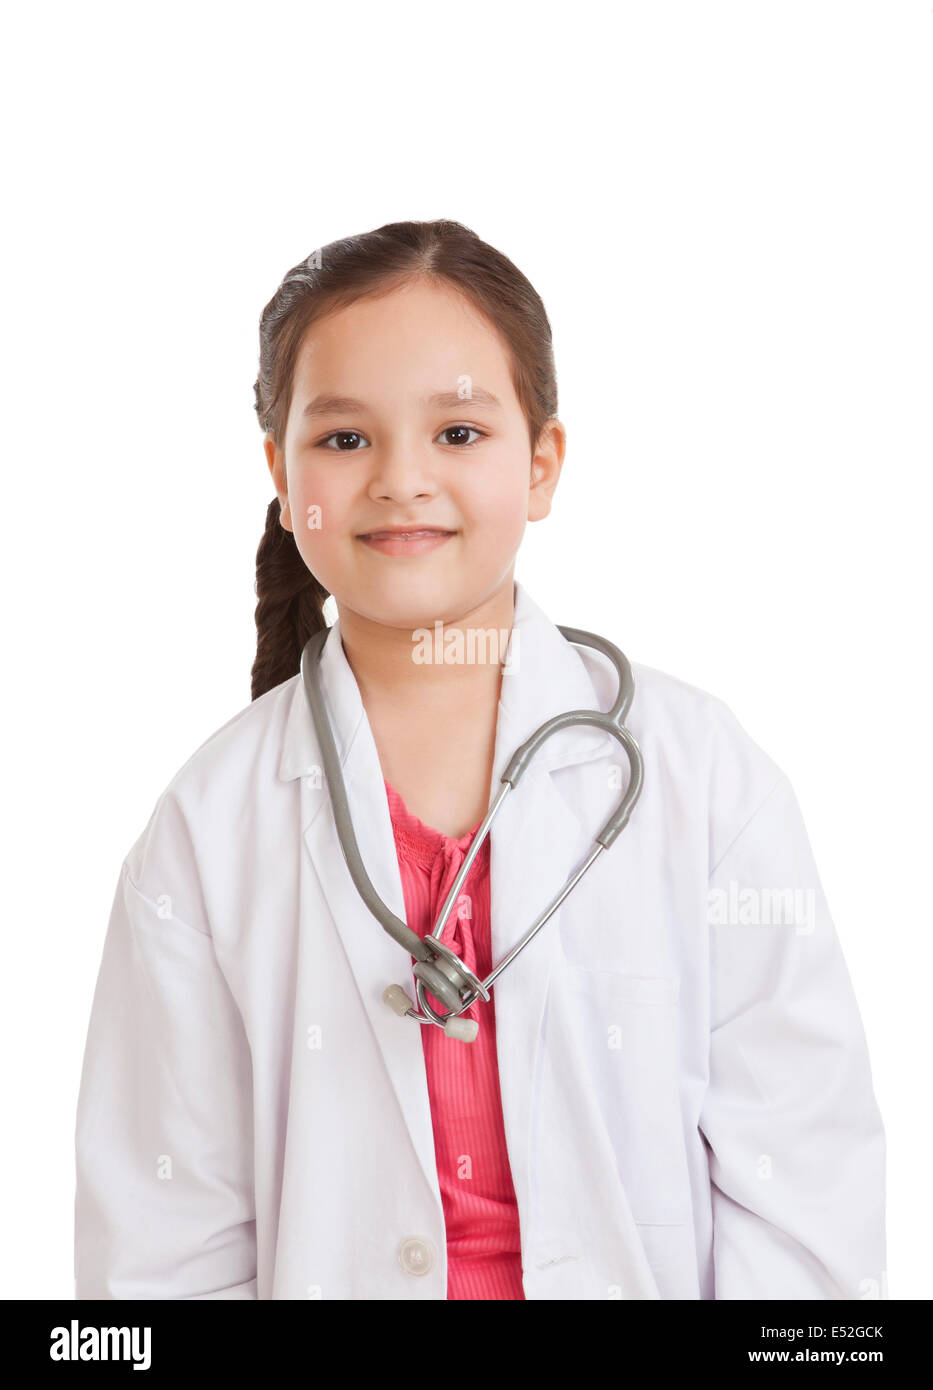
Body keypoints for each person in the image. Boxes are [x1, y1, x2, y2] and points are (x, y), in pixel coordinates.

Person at [74, 218, 886, 1300]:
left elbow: (807, 1197)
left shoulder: (707, 785)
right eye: (346, 439)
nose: (403, 479)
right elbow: (158, 1247)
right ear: (280, 472)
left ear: (542, 463)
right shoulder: (205, 832)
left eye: (457, 433)